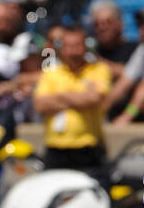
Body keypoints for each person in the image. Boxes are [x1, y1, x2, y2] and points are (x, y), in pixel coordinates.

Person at [33, 26, 112, 170]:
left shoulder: (99, 70)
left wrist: (59, 97)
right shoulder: (51, 73)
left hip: (89, 148)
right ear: (61, 48)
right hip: (56, 148)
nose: (73, 51)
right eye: (68, 46)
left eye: (78, 46)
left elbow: (95, 98)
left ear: (86, 47)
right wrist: (80, 97)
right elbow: (40, 104)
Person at [106, 6, 144, 120]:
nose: (143, 30)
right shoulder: (143, 49)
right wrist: (101, 110)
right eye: (140, 25)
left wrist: (126, 117)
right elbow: (124, 83)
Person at [90, 0, 136, 76]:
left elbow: (132, 75)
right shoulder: (92, 50)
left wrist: (97, 62)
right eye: (97, 24)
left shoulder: (135, 50)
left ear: (120, 24)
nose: (102, 27)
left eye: (108, 22)